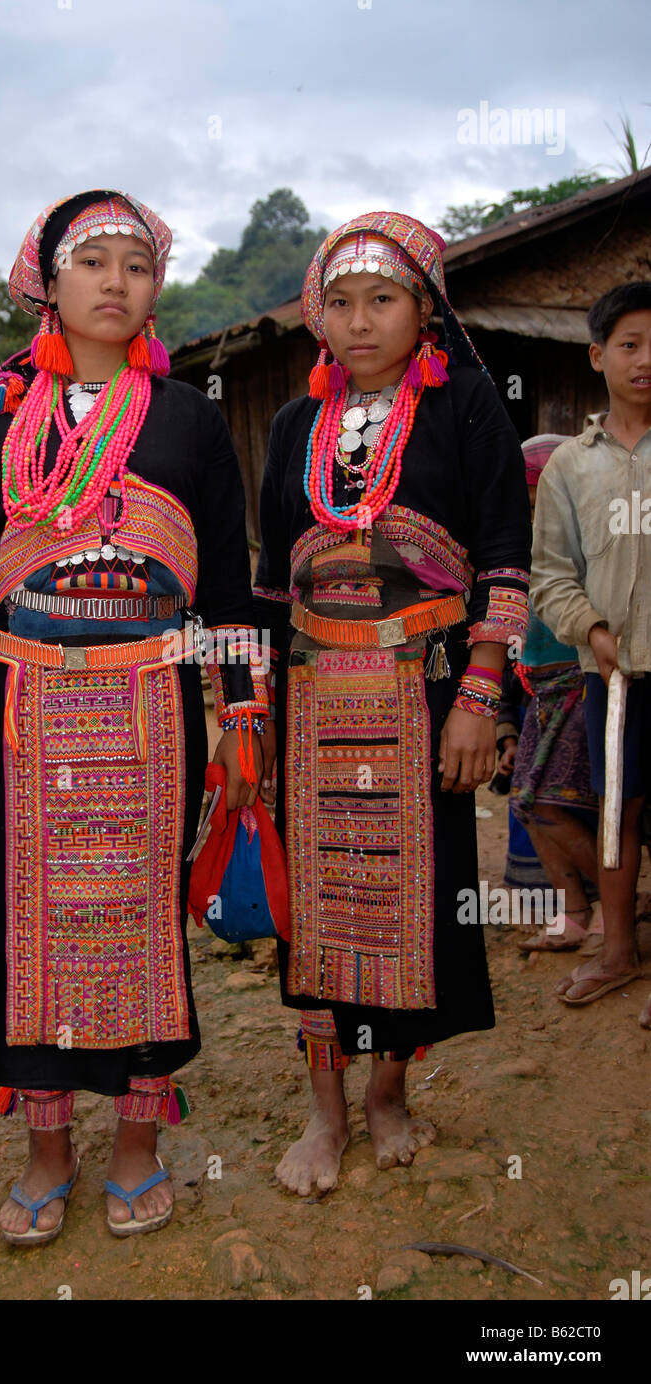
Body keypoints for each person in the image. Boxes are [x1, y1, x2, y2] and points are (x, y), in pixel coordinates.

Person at [0, 190, 266, 1244]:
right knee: (29, 916)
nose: (118, 281)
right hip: (32, 697)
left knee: (140, 914)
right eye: (95, 261)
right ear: (49, 278)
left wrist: (245, 713)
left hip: (152, 696)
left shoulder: (186, 415)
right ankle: (46, 1149)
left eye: (138, 264)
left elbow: (226, 579)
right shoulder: (4, 412)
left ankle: (139, 1141)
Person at [253, 212, 531, 1193]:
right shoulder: (293, 427)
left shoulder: (468, 409)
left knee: (415, 914)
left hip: (425, 700)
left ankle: (387, 1096)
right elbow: (271, 594)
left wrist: (481, 697)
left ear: (424, 309)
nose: (361, 319)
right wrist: (254, 719)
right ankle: (324, 1115)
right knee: (318, 917)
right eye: (341, 300)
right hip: (314, 704)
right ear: (317, 316)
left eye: (383, 298)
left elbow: (503, 561)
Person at [530, 282, 651, 1016]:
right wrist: (595, 632)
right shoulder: (573, 466)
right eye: (631, 346)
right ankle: (617, 950)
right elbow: (551, 574)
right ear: (598, 356)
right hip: (614, 674)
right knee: (618, 814)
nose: (645, 361)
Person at [508, 435, 600, 952]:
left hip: (579, 682)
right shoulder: (520, 539)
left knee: (551, 800)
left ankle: (617, 904)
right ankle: (577, 914)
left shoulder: (588, 536)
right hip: (538, 690)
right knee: (528, 803)